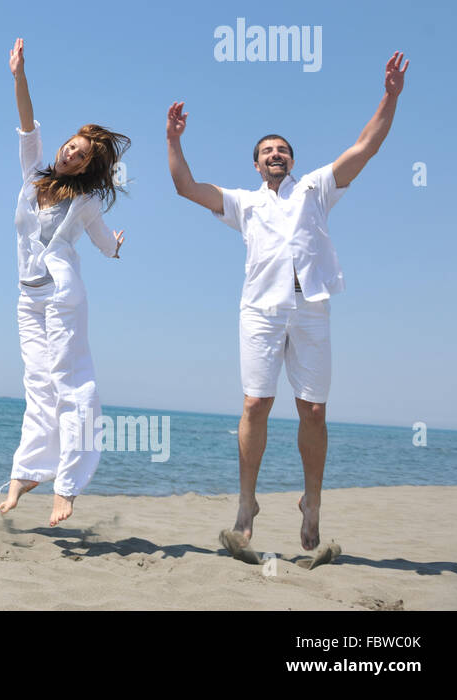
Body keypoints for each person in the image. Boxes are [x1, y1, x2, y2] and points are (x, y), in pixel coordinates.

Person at [166, 51, 410, 560]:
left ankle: (312, 502)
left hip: (311, 308)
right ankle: (246, 505)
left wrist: (389, 95)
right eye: (267, 151)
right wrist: (173, 139)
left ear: (291, 161)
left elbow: (367, 145)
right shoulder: (242, 202)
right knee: (256, 403)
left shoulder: (317, 189)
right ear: (255, 164)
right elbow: (185, 187)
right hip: (259, 310)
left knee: (314, 411)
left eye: (282, 150)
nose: (276, 155)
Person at [0, 38, 128, 526]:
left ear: (88, 167)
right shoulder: (32, 173)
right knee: (37, 385)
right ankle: (29, 470)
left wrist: (116, 245)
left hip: (62, 295)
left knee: (70, 385)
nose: (70, 155)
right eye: (70, 147)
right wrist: (18, 75)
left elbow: (101, 242)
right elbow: (28, 122)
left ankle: (67, 486)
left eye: (80, 156)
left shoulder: (86, 201)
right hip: (26, 297)